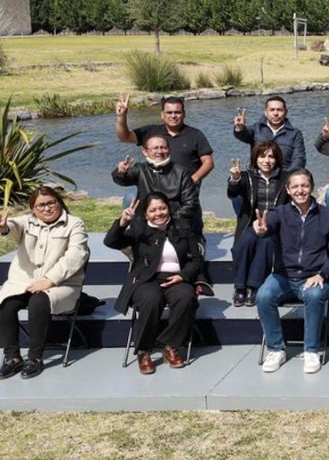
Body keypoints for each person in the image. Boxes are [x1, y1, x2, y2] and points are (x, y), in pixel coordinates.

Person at [253, 169, 329, 374]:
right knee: (263, 296)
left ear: (311, 187)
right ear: (288, 190)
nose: (300, 190)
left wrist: (323, 273)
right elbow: (268, 226)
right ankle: (276, 349)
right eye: (295, 186)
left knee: (314, 296)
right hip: (283, 276)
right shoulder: (279, 213)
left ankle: (311, 350)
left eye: (304, 185)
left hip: (315, 276)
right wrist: (262, 230)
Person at [103, 193, 204, 375]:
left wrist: (183, 275)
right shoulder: (138, 229)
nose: (159, 213)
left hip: (176, 277)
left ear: (169, 209)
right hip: (146, 279)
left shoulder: (183, 227)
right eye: (153, 210)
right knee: (151, 300)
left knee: (186, 297)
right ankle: (143, 351)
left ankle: (171, 346)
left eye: (162, 208)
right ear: (146, 214)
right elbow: (110, 242)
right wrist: (123, 222)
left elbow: (197, 260)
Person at [0, 187, 89, 379]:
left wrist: (50, 280)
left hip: (62, 284)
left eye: (51, 203)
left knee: (38, 301)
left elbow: (76, 256)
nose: (47, 208)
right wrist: (4, 227)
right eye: (41, 205)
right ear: (33, 209)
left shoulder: (74, 224)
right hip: (25, 281)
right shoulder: (27, 221)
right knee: (6, 303)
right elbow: (12, 226)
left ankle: (35, 358)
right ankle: (12, 357)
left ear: (59, 202)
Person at [115, 94, 214, 233]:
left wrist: (193, 179)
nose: (173, 116)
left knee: (189, 205)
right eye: (169, 112)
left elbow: (208, 162)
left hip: (183, 186)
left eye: (177, 112)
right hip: (153, 184)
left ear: (184, 114)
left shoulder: (195, 135)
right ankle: (138, 231)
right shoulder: (151, 131)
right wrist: (121, 117)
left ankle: (193, 234)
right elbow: (124, 137)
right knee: (130, 197)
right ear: (162, 114)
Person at [227, 141, 287, 306]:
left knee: (266, 242)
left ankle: (253, 287)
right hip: (250, 224)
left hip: (275, 225)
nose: (266, 161)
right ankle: (240, 287)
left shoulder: (285, 178)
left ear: (277, 159)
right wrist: (235, 179)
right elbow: (233, 192)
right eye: (262, 156)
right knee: (246, 241)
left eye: (271, 157)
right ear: (255, 158)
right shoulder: (247, 177)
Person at [111, 134, 200, 233]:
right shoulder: (140, 169)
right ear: (145, 151)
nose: (160, 151)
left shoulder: (181, 172)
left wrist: (169, 219)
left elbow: (190, 202)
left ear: (169, 150)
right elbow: (122, 181)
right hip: (145, 222)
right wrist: (121, 172)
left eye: (163, 148)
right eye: (155, 148)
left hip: (173, 222)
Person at [233, 95, 306, 171]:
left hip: (284, 174)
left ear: (286, 112)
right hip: (258, 175)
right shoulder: (257, 128)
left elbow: (299, 159)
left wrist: (289, 175)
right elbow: (243, 135)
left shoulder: (295, 134)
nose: (275, 113)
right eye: (272, 110)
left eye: (279, 110)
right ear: (265, 112)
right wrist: (240, 128)